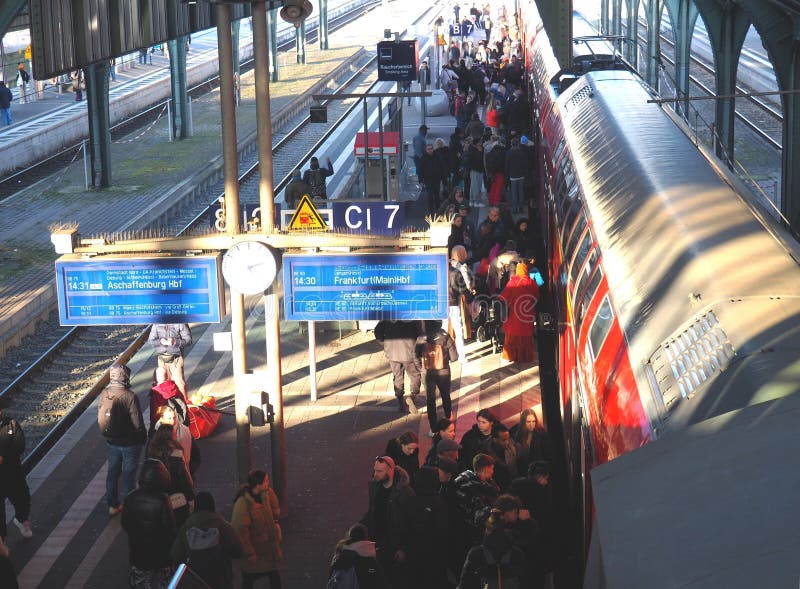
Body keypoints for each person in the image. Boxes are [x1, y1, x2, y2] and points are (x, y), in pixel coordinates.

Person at [98, 362, 146, 517]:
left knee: (112, 473)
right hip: (130, 443)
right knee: (129, 475)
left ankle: (113, 505)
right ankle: (129, 506)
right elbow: (137, 422)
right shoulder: (129, 396)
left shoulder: (105, 393)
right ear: (125, 377)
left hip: (112, 441)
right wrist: (142, 438)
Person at [360, 456, 415, 587]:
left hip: (394, 546)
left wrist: (404, 548)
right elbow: (372, 512)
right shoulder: (375, 488)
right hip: (378, 543)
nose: (375, 474)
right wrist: (359, 526)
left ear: (390, 470)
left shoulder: (405, 492)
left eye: (379, 471)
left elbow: (411, 524)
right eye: (375, 470)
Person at [122, 458, 177, 589]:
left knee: (140, 582)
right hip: (161, 553)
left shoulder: (130, 497)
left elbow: (125, 523)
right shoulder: (162, 499)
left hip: (138, 551)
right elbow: (170, 528)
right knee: (164, 583)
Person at [171, 491, 243, 589]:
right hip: (222, 579)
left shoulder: (186, 527)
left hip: (196, 581)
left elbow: (176, 554)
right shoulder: (222, 525)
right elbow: (238, 550)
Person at [231, 469, 283, 589]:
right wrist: (249, 553)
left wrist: (275, 521)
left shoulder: (267, 493)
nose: (268, 483)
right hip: (255, 550)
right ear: (258, 485)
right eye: (266, 481)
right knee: (250, 578)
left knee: (273, 576)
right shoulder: (243, 503)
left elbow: (275, 511)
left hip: (267, 549)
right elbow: (240, 530)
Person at [146, 424, 195, 527]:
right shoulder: (176, 455)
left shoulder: (151, 452)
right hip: (175, 497)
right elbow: (184, 479)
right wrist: (191, 498)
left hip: (155, 498)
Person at [415, 320, 459, 435]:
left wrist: (421, 368)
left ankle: (433, 429)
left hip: (427, 373)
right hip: (443, 372)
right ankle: (448, 417)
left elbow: (415, 356)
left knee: (430, 400)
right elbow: (454, 357)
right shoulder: (445, 336)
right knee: (445, 395)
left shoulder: (421, 338)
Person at [374, 320, 423, 413]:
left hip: (392, 353)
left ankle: (400, 401)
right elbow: (420, 334)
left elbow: (378, 332)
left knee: (397, 376)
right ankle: (413, 395)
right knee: (415, 375)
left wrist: (385, 343)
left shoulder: (388, 316)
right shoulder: (412, 316)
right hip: (410, 352)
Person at [0, 405, 32, 539]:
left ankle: (21, 519)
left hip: (14, 473)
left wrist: (3, 457)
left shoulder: (11, 424)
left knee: (24, 500)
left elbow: (19, 445)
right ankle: (2, 540)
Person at [498, 262, 539, 362]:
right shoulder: (532, 283)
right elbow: (537, 297)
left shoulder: (513, 282)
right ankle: (525, 356)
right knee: (526, 336)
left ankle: (511, 356)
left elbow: (503, 297)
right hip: (527, 314)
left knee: (512, 335)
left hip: (514, 314)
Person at [328, 523, 387, 588]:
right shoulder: (369, 559)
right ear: (365, 537)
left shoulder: (340, 556)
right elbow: (379, 581)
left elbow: (331, 580)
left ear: (350, 536)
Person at [148, 323, 192, 396]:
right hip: (162, 359)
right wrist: (160, 341)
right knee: (162, 384)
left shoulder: (180, 323)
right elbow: (150, 340)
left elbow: (188, 340)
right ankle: (164, 402)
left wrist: (175, 341)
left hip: (176, 359)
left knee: (179, 383)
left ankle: (183, 401)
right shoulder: (156, 324)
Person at [448, 245, 474, 361]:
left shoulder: (442, 269)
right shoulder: (458, 270)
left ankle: (446, 355)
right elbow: (463, 288)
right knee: (458, 329)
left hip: (442, 303)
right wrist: (469, 296)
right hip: (454, 302)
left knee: (444, 329)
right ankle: (461, 356)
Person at [510, 408, 552, 475]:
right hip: (524, 471)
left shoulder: (541, 434)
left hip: (539, 471)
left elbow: (547, 455)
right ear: (523, 422)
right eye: (528, 422)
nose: (531, 424)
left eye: (533, 421)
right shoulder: (519, 435)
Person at [506, 137, 528, 213]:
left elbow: (507, 165)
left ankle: (514, 209)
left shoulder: (508, 153)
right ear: (518, 144)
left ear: (511, 144)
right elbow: (525, 164)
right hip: (521, 175)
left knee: (514, 193)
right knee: (521, 192)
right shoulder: (522, 153)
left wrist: (507, 175)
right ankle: (521, 208)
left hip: (512, 176)